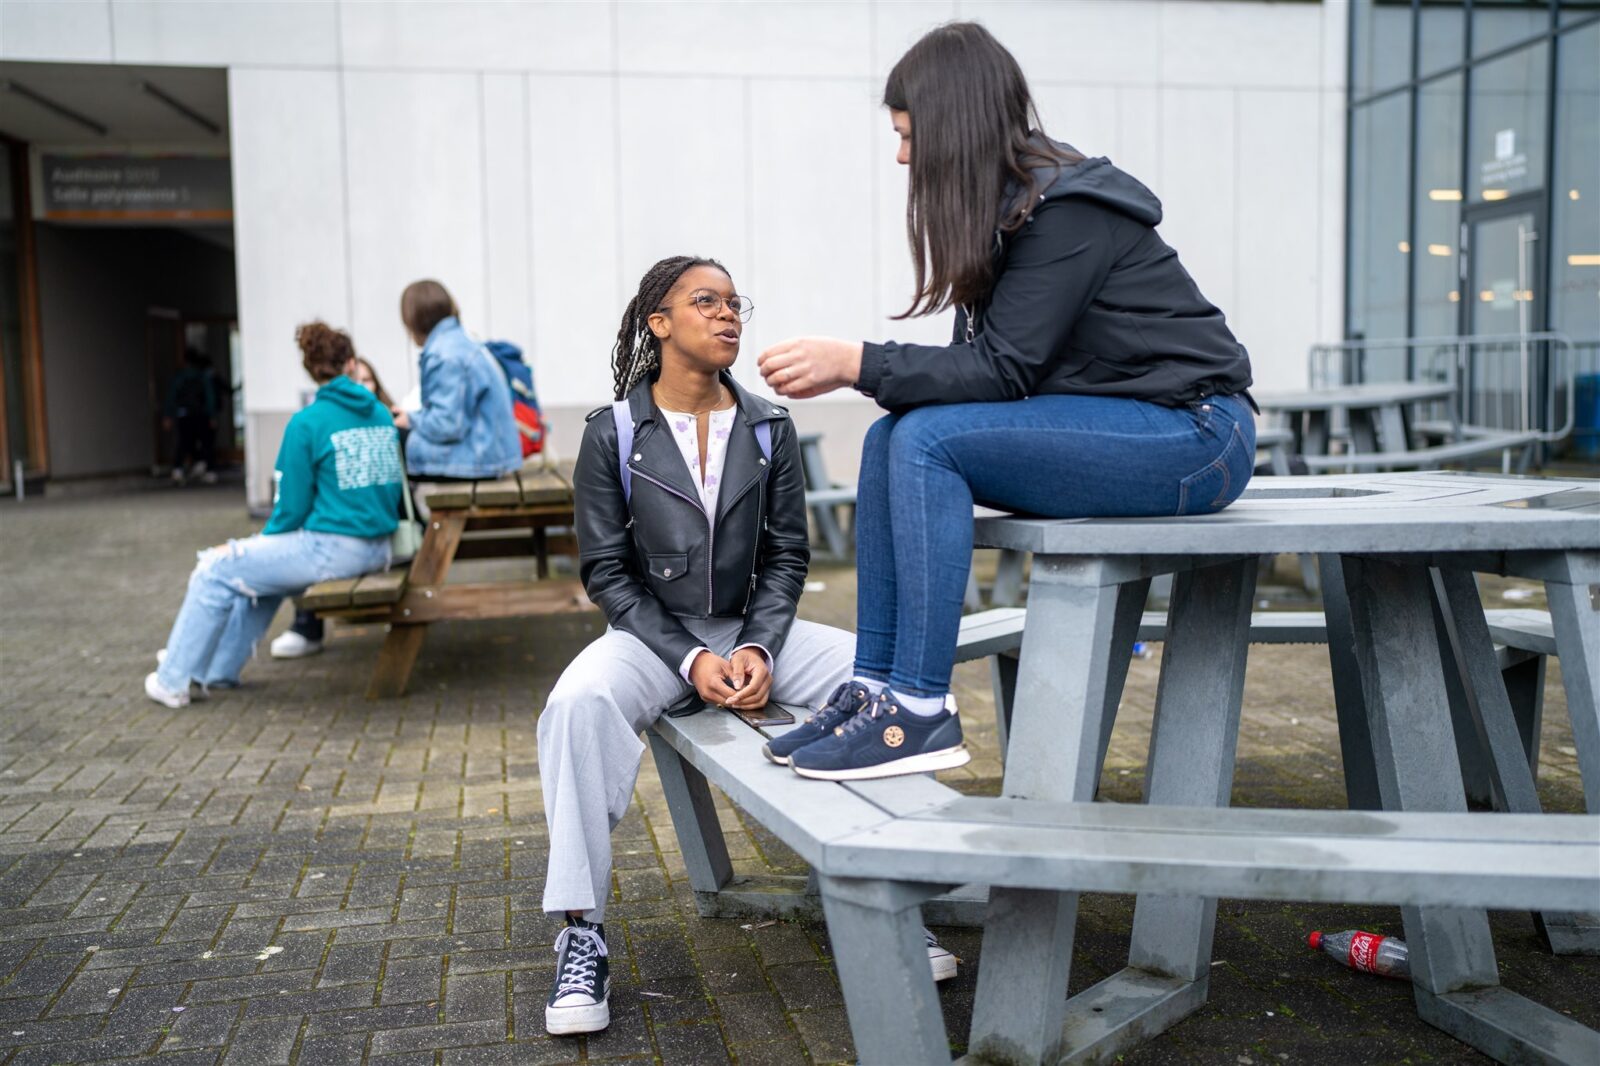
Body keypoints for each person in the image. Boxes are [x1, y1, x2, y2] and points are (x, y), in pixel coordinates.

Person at [757, 22, 1257, 782]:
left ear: (952, 127)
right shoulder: (1009, 212)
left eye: (907, 136)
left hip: (1198, 434)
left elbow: (1001, 370)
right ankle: (876, 687)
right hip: (1136, 423)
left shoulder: (1069, 211)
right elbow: (976, 373)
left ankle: (918, 710)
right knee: (891, 437)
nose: (901, 157)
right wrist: (872, 373)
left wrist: (856, 362)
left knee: (925, 442)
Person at [536, 255, 955, 1037]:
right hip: (650, 637)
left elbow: (788, 556)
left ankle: (891, 896)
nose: (729, 315)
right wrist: (692, 659)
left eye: (736, 303)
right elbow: (607, 573)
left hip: (750, 628)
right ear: (659, 323)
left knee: (882, 680)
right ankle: (580, 931)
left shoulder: (769, 427)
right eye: (707, 301)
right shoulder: (612, 432)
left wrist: (760, 647)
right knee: (576, 704)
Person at [145, 323, 401, 707]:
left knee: (214, 568)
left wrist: (261, 544)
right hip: (380, 549)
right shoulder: (380, 414)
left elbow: (290, 509)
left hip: (334, 550)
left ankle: (172, 680)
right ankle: (216, 672)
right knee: (261, 576)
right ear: (350, 363)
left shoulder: (307, 422)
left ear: (310, 368)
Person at [271, 355, 398, 660]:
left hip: (368, 538)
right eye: (358, 380)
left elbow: (291, 505)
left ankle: (306, 627)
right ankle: (306, 625)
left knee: (277, 555)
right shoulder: (339, 420)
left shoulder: (381, 417)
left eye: (368, 381)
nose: (361, 387)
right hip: (366, 539)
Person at [391, 280, 520, 504]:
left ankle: (407, 523)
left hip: (481, 459)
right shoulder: (458, 341)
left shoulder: (445, 354)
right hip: (492, 453)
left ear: (412, 319)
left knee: (390, 440)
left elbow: (447, 425)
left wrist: (411, 420)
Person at [164, 348, 218, 485]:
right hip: (201, 414)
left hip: (184, 413)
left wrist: (168, 415)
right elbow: (209, 396)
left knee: (184, 442)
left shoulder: (180, 377)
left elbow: (171, 396)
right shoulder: (202, 376)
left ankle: (178, 469)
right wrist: (212, 415)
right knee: (206, 442)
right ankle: (209, 470)